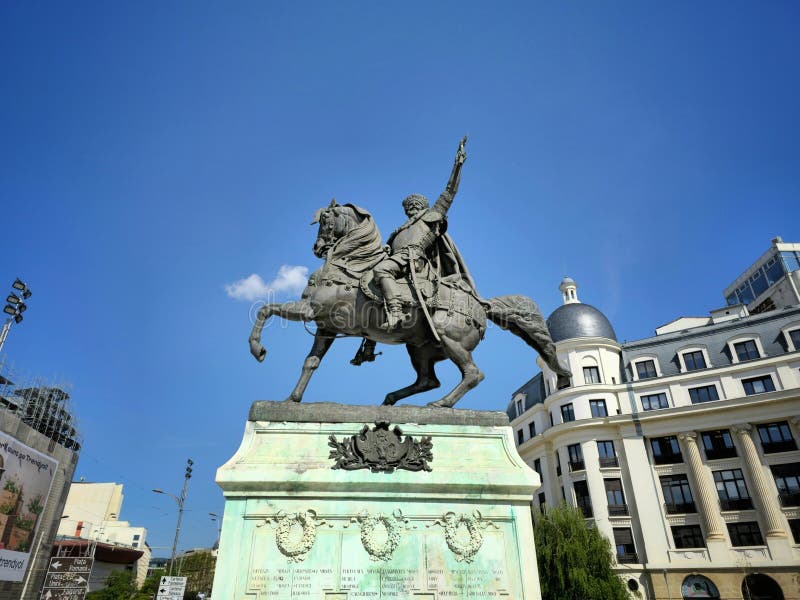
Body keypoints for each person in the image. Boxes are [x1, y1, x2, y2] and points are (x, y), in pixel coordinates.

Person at [374, 137, 473, 330]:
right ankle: (369, 338)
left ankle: (396, 312)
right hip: (399, 259)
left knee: (381, 270)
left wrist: (457, 165)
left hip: (413, 260)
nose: (411, 207)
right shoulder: (400, 230)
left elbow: (449, 192)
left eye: (415, 205)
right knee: (367, 280)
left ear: (422, 207)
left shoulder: (430, 216)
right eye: (409, 206)